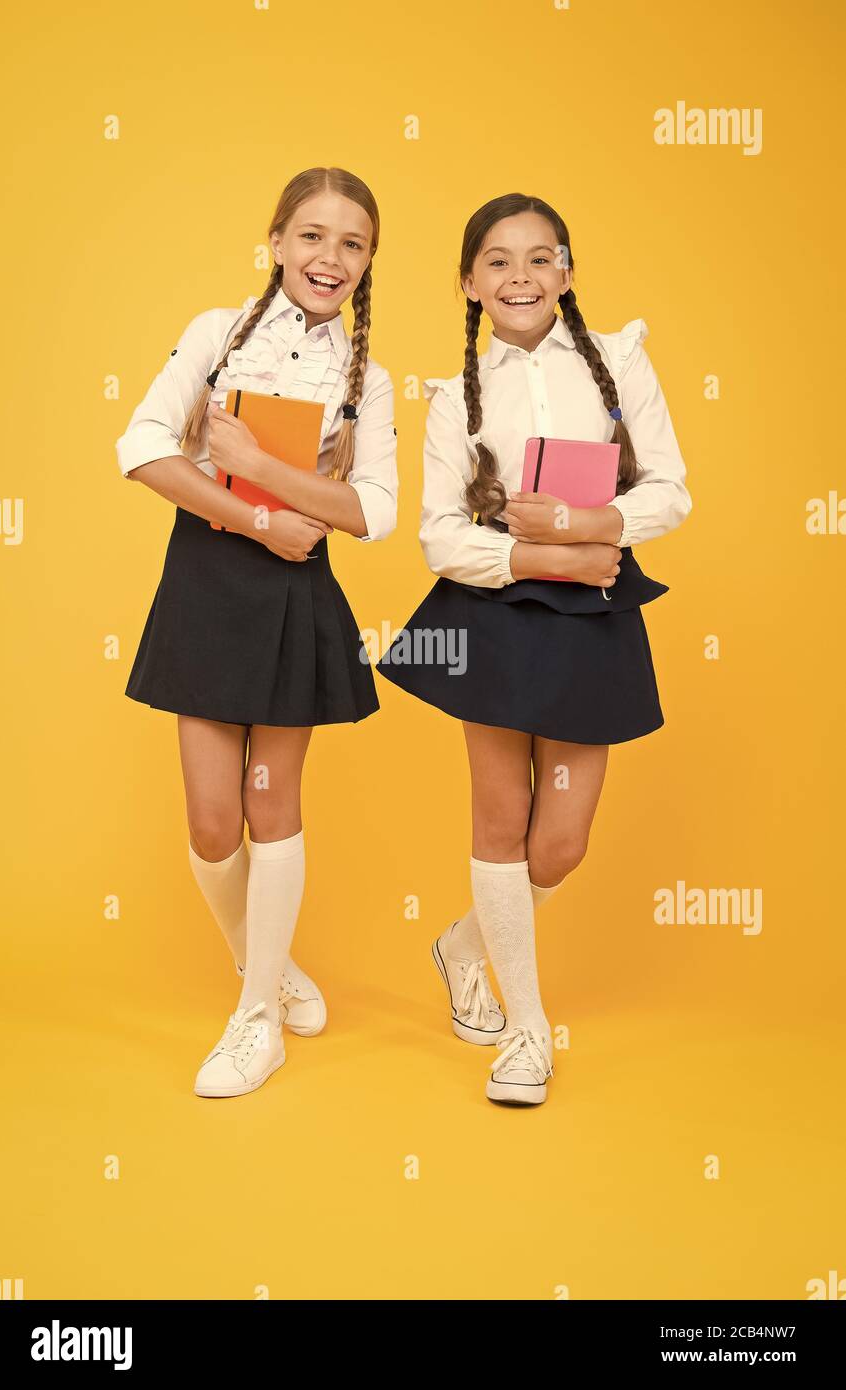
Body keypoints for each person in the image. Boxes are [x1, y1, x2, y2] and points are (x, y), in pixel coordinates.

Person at [377, 193, 691, 1106]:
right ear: (470, 284)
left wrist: (595, 522)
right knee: (498, 821)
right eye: (498, 262)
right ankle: (523, 1034)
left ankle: (462, 946)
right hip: (492, 614)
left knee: (557, 844)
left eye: (540, 257)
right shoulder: (452, 400)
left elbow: (670, 490)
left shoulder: (618, 362)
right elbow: (438, 537)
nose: (520, 276)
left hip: (592, 613)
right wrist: (541, 551)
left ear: (566, 272)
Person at [115, 167, 397, 1098]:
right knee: (208, 823)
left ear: (367, 262)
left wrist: (260, 470)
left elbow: (372, 513)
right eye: (312, 236)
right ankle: (268, 968)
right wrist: (261, 510)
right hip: (207, 577)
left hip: (294, 595)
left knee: (270, 803)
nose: (331, 257)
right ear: (276, 242)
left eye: (351, 243)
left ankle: (256, 1022)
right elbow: (143, 447)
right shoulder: (212, 333)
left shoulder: (370, 378)